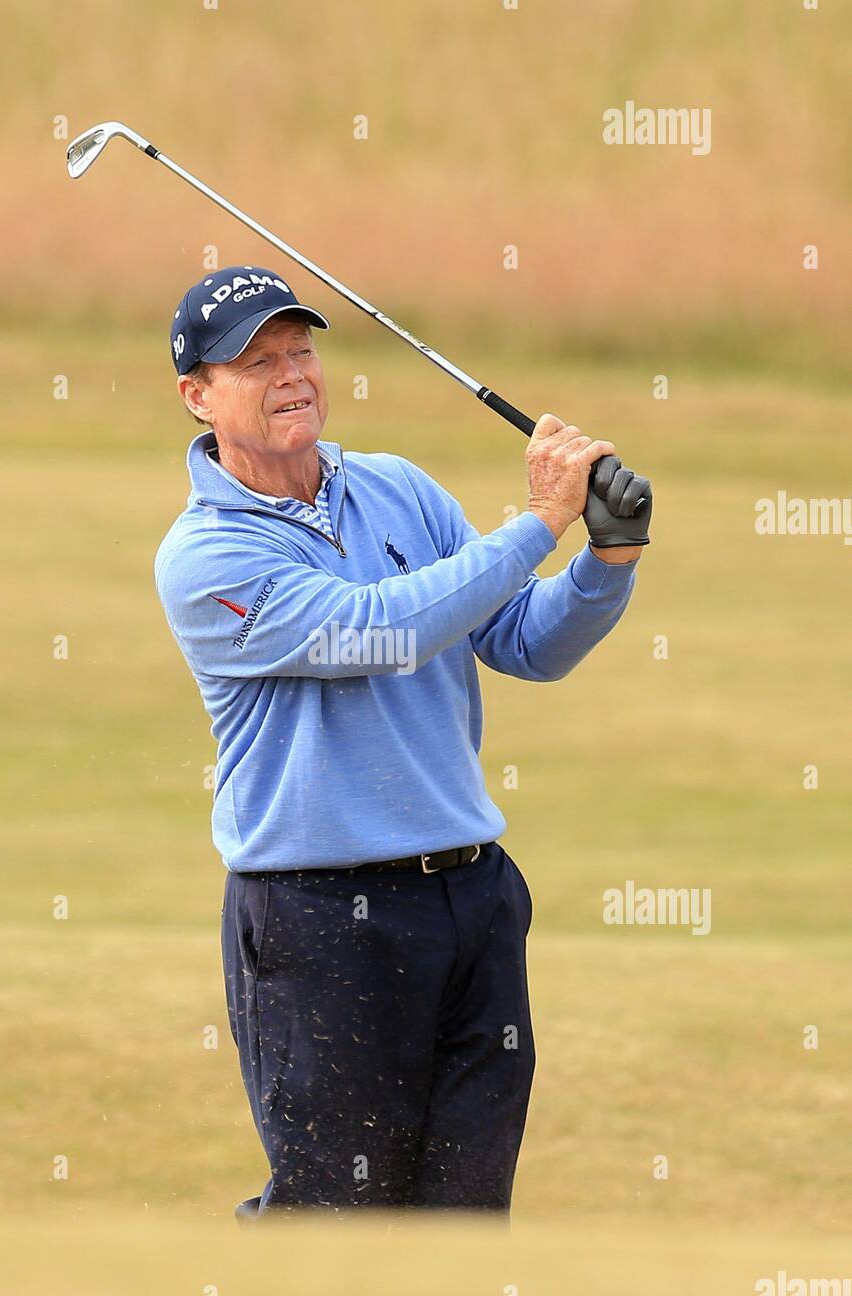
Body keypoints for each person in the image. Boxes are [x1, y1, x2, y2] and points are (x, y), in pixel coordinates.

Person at [154, 264, 652, 1221]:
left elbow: (518, 641)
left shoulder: (396, 489)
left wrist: (603, 558)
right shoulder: (205, 555)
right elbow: (376, 630)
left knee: (464, 1214)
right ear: (197, 395)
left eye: (299, 350)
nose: (290, 374)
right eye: (256, 362)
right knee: (337, 1216)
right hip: (319, 915)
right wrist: (538, 519)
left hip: (473, 897)